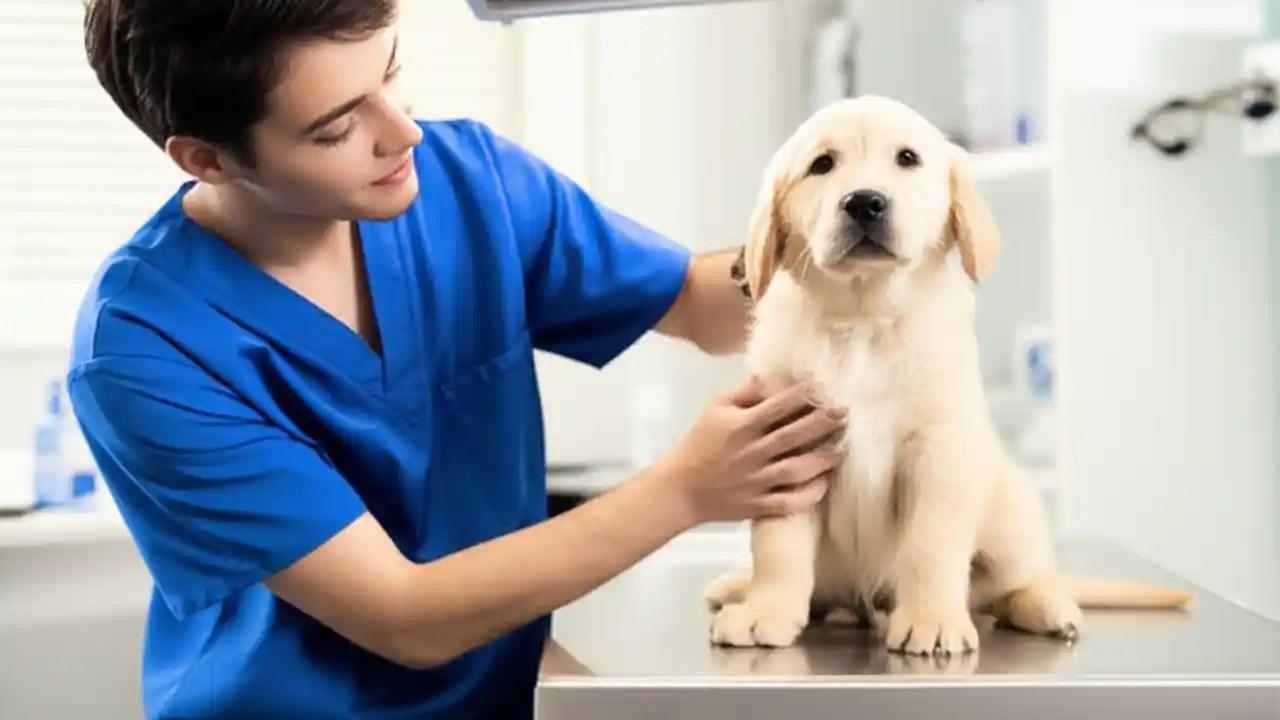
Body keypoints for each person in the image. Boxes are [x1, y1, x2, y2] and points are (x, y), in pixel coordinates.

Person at [71, 1, 845, 718]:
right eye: (339, 127)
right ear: (208, 158)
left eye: (391, 72)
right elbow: (403, 617)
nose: (401, 131)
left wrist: (826, 232)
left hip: (503, 696)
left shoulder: (469, 181)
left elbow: (697, 304)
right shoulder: (144, 346)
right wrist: (689, 488)